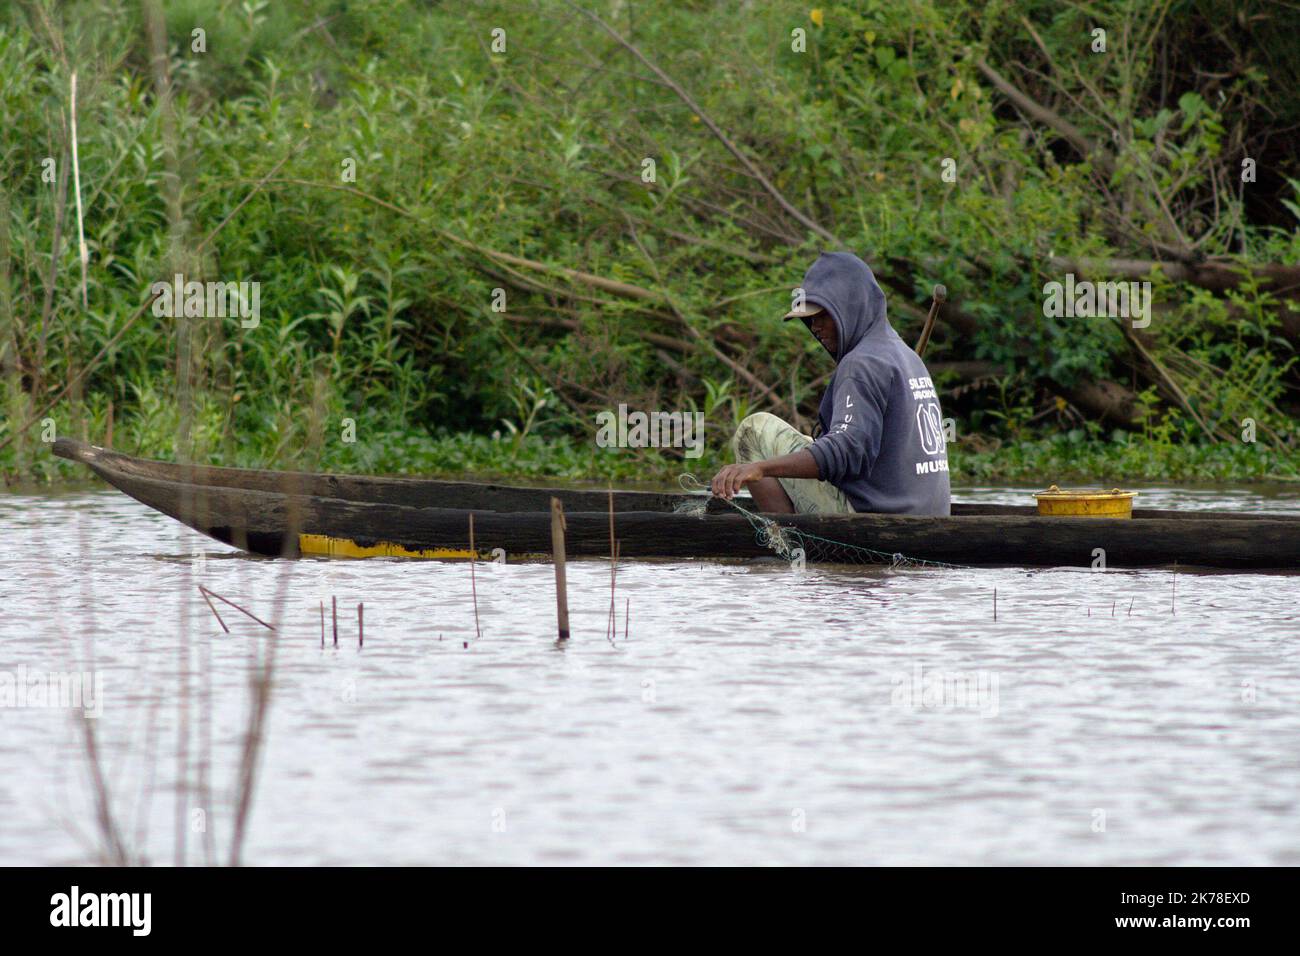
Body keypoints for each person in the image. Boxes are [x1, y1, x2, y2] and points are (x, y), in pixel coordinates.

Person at [710, 251, 950, 516]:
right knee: (804, 445)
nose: (816, 328)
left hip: (876, 519)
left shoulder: (861, 363)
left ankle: (791, 544)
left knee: (753, 430)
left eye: (822, 316)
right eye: (809, 320)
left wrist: (760, 468)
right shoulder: (904, 355)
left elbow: (847, 450)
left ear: (849, 306)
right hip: (926, 512)